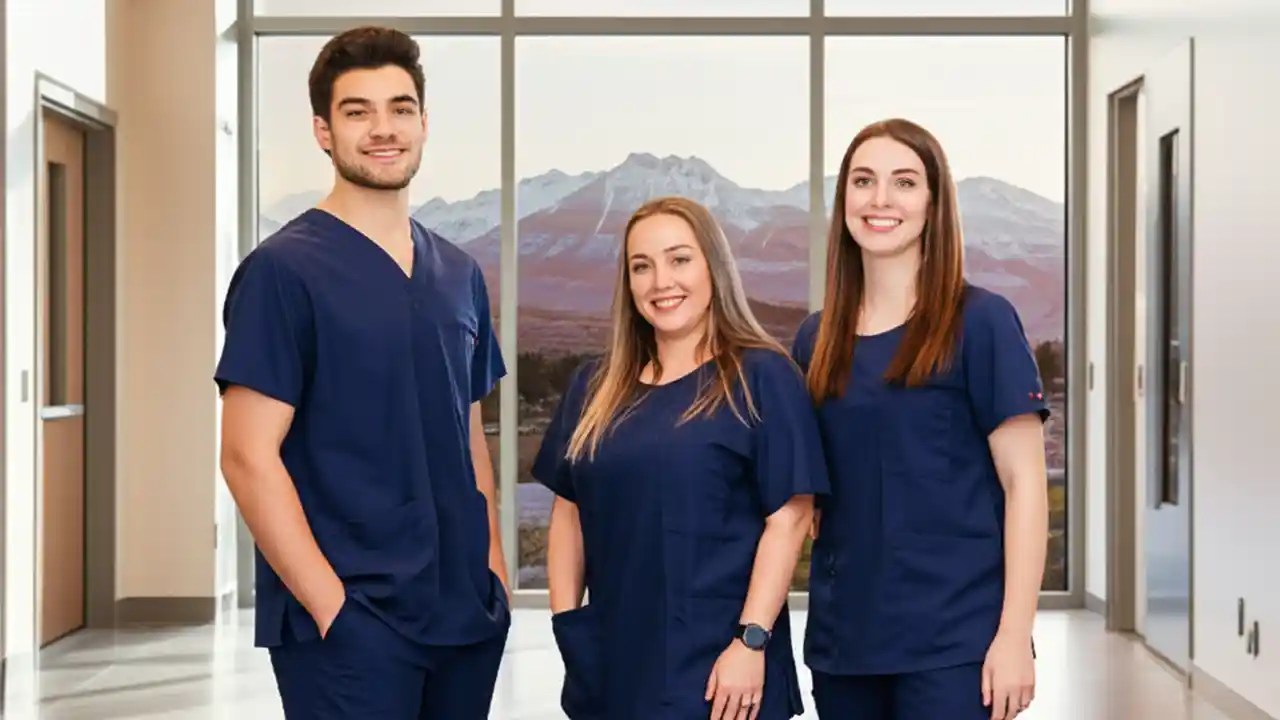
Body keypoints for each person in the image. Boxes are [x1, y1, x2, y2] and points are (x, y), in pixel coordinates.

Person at [214, 26, 510, 718]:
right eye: (358, 111)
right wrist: (330, 607)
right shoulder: (282, 272)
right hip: (352, 625)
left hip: (464, 613)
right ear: (323, 130)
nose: (384, 128)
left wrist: (492, 570)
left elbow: (469, 435)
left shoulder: (458, 274)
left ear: (423, 123)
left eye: (400, 108)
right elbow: (245, 456)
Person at [532, 196, 829, 720]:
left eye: (679, 259)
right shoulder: (594, 387)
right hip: (612, 665)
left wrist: (751, 641)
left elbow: (790, 517)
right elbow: (568, 512)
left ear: (713, 266)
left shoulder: (762, 378)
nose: (660, 281)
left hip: (723, 672)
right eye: (640, 267)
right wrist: (566, 626)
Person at [793, 118, 1050, 720]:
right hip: (844, 641)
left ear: (933, 204)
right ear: (844, 202)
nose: (880, 200)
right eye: (863, 181)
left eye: (904, 182)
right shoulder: (816, 339)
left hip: (954, 643)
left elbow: (1026, 486)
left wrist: (1014, 637)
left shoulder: (981, 323)